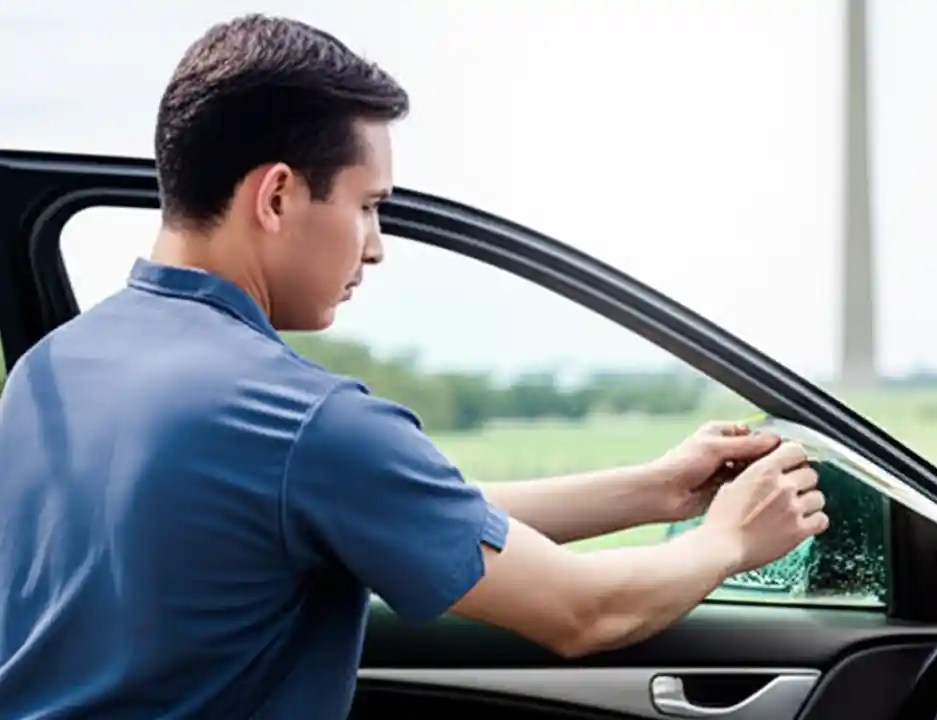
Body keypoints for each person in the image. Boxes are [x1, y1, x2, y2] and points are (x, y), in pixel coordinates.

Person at [0, 14, 828, 719]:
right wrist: (727, 541)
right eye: (367, 205)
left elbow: (391, 508)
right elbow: (585, 614)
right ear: (278, 196)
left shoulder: (46, 375)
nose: (377, 246)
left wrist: (650, 491)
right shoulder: (304, 422)